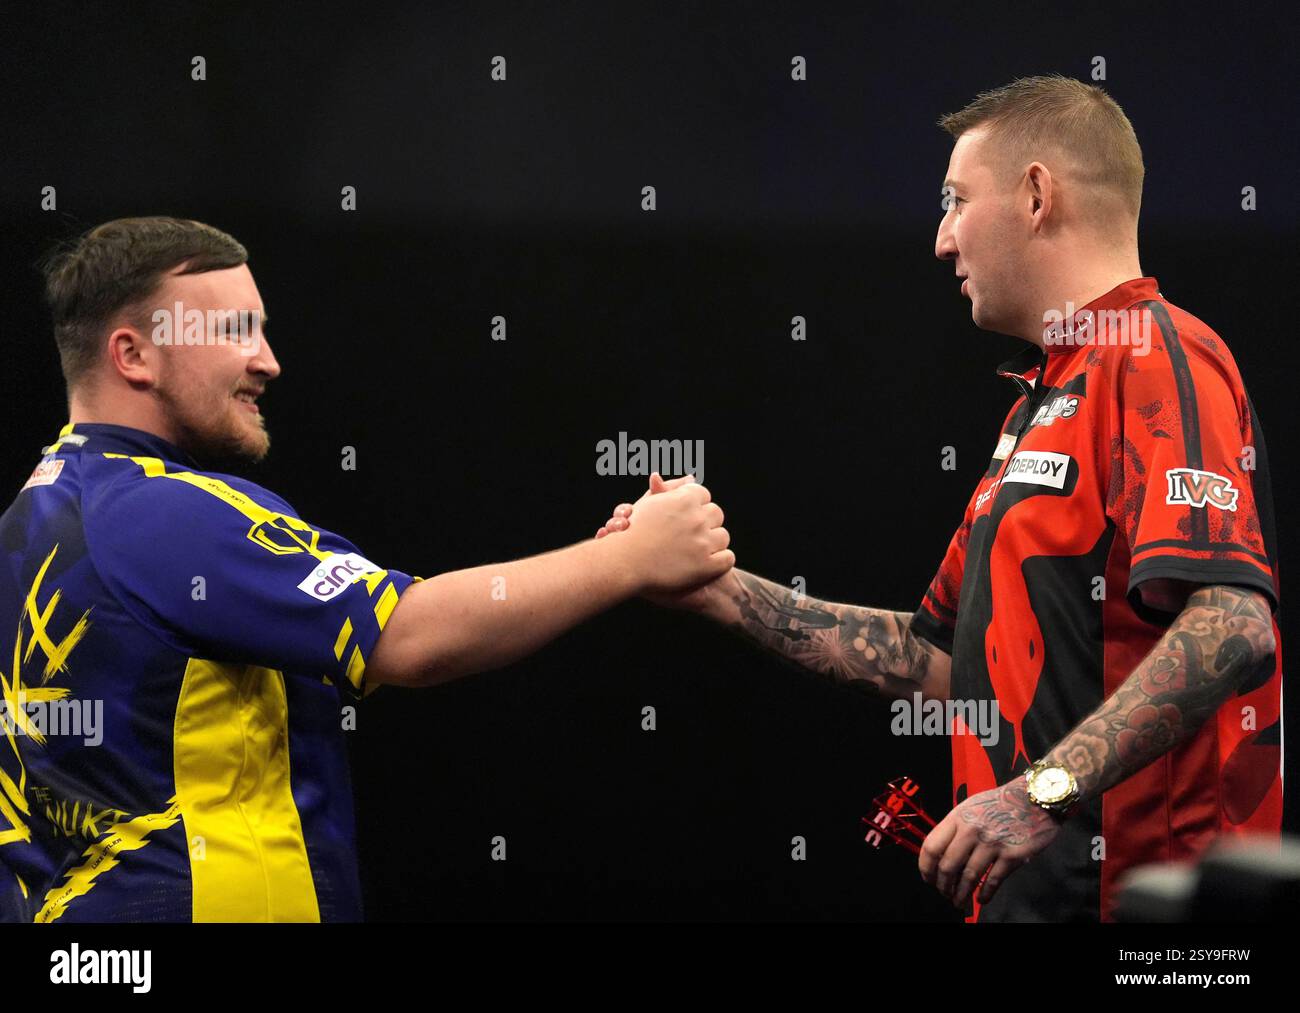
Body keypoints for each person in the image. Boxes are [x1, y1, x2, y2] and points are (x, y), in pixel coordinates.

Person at [596, 75, 1282, 922]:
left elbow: (1234, 622)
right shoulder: (1038, 404)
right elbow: (938, 660)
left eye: (955, 201)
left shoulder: (1154, 352)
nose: (941, 241)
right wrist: (718, 590)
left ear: (1036, 194)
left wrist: (1042, 791)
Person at [0, 216, 733, 922]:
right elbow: (410, 634)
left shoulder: (29, 522)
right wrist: (633, 556)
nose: (267, 360)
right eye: (233, 331)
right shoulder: (158, 511)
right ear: (133, 355)